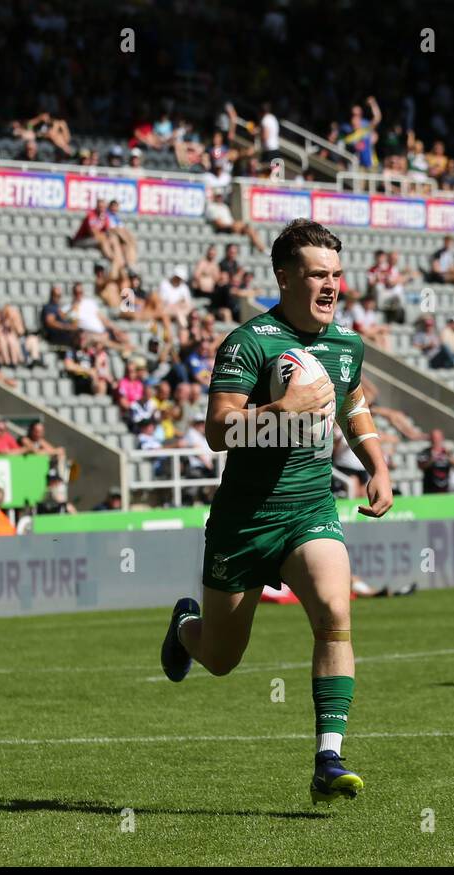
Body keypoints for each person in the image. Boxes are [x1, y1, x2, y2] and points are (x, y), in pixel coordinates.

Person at [159, 218, 393, 804]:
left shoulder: (346, 344)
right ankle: (186, 629)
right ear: (285, 278)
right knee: (220, 658)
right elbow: (218, 431)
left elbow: (353, 400)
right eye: (318, 274)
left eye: (337, 274)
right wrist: (283, 408)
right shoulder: (249, 342)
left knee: (335, 610)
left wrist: (377, 463)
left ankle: (328, 758)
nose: (332, 285)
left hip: (310, 509)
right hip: (244, 522)